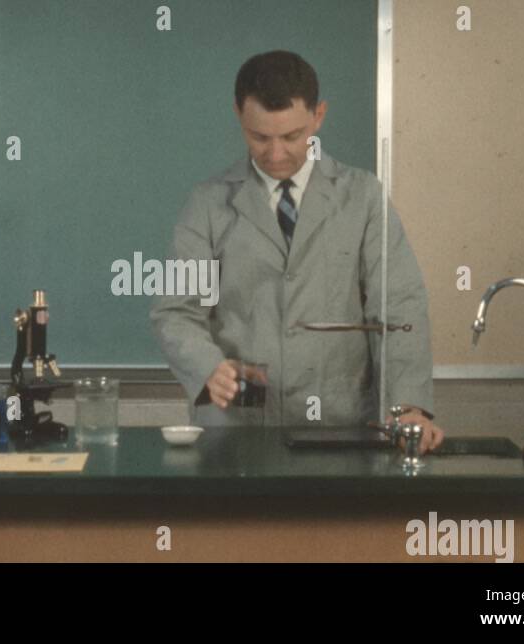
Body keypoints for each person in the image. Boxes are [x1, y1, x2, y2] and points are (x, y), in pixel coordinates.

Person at [150, 50, 444, 454]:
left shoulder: (363, 198)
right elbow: (176, 310)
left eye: (291, 136)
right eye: (260, 137)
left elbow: (399, 308)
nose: (275, 153)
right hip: (238, 429)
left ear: (318, 116)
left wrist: (408, 405)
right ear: (239, 115)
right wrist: (207, 366)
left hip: (342, 427)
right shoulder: (206, 204)